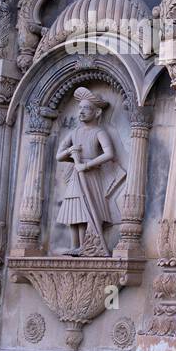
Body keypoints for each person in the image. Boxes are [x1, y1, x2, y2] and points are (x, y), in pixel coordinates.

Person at [55, 87, 125, 255]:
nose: (81, 111)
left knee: (86, 208)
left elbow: (109, 154)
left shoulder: (99, 132)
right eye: (79, 108)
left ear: (97, 112)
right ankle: (75, 245)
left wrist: (87, 165)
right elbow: (59, 156)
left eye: (86, 108)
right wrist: (70, 152)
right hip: (76, 175)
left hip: (90, 174)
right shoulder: (75, 132)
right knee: (74, 208)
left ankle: (86, 245)